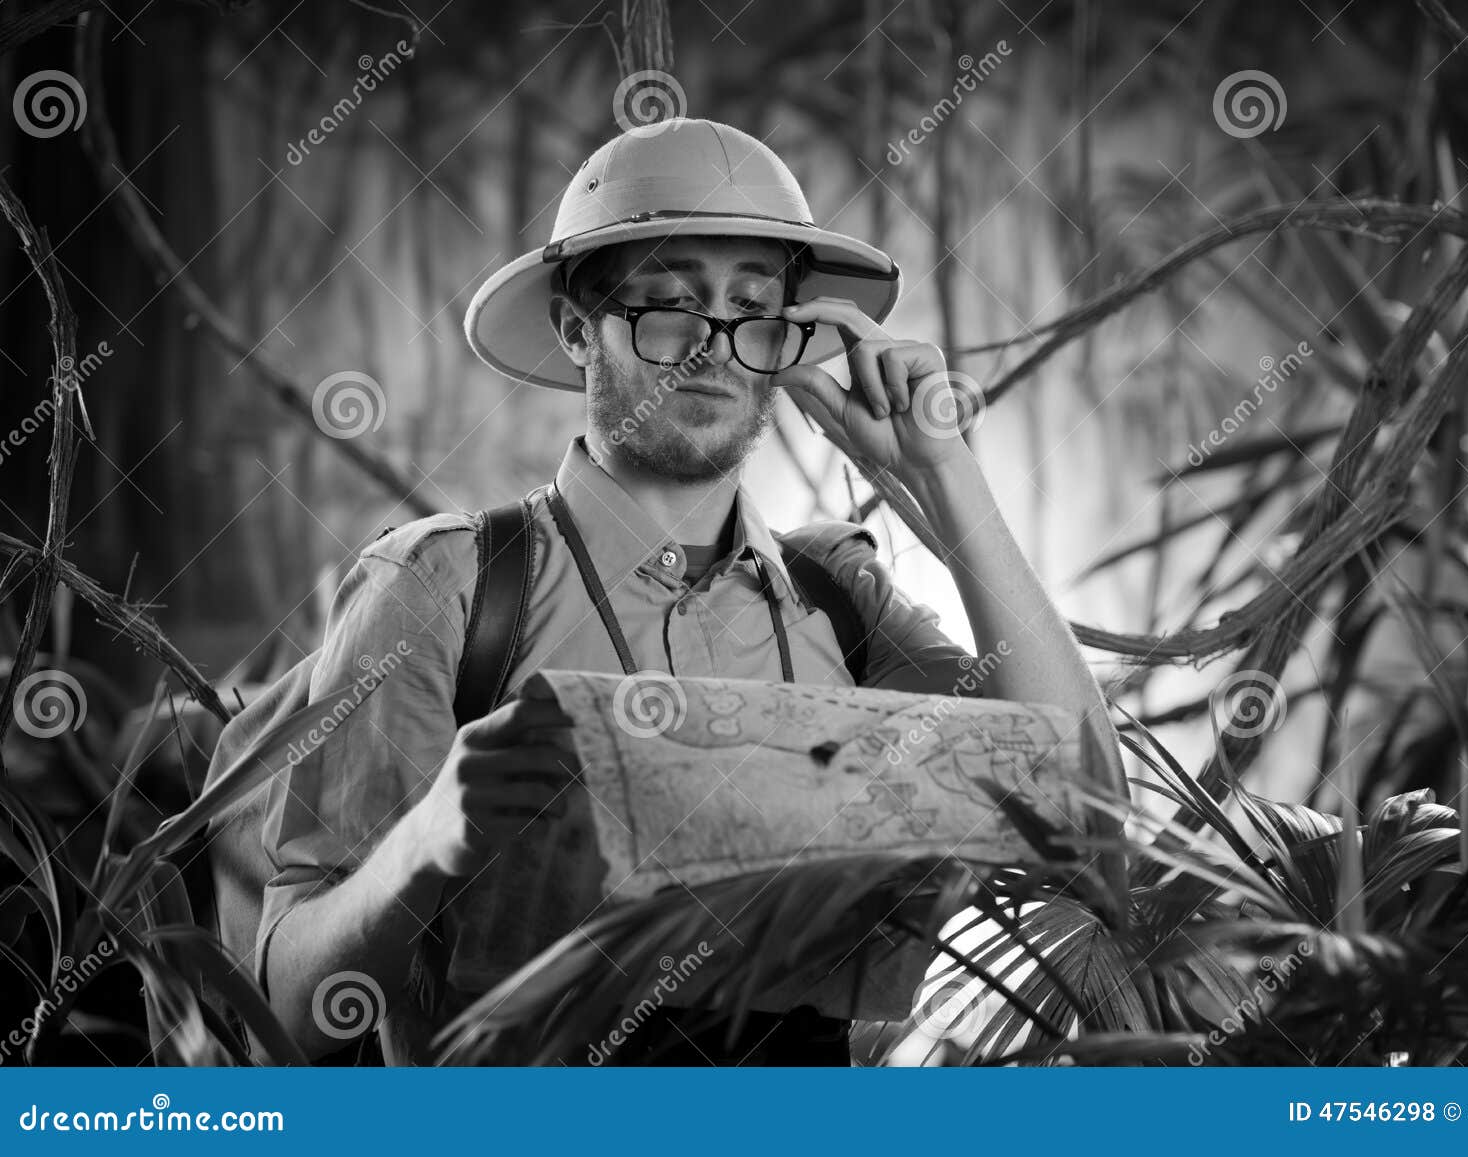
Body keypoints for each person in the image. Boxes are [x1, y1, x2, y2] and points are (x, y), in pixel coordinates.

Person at [256, 118, 1118, 1065]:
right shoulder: (445, 586)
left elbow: (1086, 811)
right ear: (578, 330)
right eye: (668, 305)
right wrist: (424, 839)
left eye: (753, 309)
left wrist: (944, 475)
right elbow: (294, 1007)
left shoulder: (839, 597)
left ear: (787, 343)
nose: (714, 347)